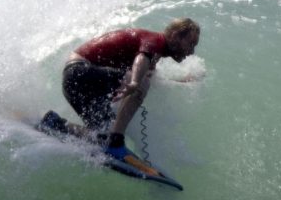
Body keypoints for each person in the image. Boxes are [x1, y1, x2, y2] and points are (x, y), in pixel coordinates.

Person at [39, 18, 200, 159]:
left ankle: (56, 123)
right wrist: (135, 82)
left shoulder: (154, 54)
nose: (191, 51)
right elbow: (140, 60)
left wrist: (180, 82)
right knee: (142, 83)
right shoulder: (154, 41)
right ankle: (116, 141)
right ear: (175, 35)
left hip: (75, 83)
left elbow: (153, 77)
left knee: (101, 135)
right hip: (79, 71)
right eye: (190, 43)